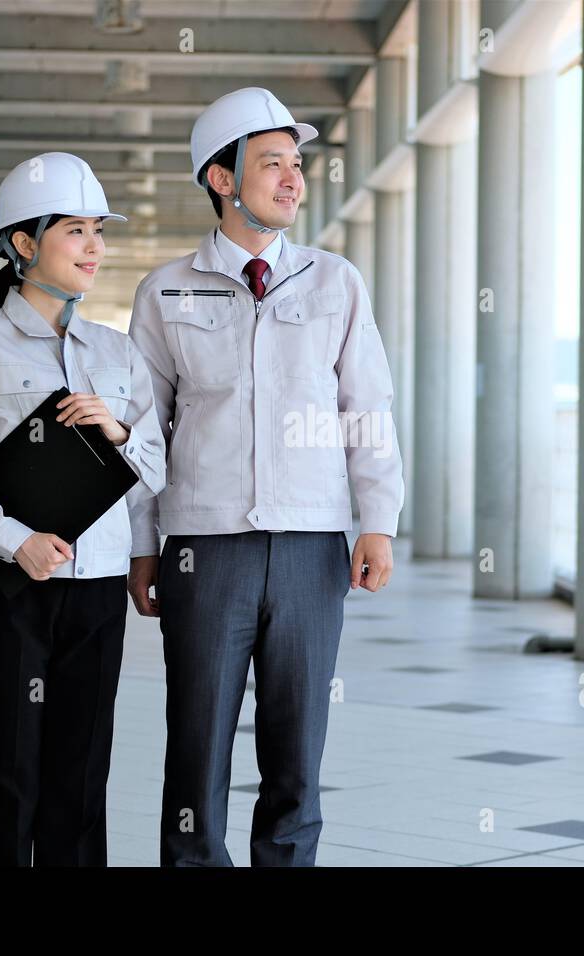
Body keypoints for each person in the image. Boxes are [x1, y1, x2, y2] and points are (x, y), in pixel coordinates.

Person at [125, 87, 405, 866]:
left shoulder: (334, 282)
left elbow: (367, 408)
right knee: (197, 747)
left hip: (314, 546)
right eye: (272, 163)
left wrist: (377, 519)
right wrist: (142, 547)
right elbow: (144, 435)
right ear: (221, 178)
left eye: (297, 164)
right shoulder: (165, 292)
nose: (293, 180)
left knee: (296, 751)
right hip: (204, 549)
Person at [0, 152, 166, 866]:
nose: (94, 247)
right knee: (6, 780)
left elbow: (154, 469)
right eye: (76, 231)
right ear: (25, 245)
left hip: (96, 596)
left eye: (98, 232)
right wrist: (12, 538)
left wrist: (115, 431)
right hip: (6, 595)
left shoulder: (116, 353)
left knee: (81, 786)